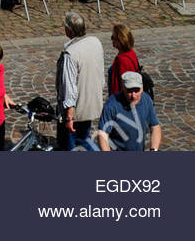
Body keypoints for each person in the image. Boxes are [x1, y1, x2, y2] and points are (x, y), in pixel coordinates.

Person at [55, 9, 105, 150]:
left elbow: (69, 88)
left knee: (70, 144)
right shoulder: (95, 42)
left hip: (75, 111)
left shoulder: (70, 54)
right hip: (90, 105)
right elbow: (100, 74)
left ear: (69, 30)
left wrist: (69, 117)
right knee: (84, 139)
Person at [96, 72, 161, 152]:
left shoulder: (146, 100)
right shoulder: (112, 105)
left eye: (137, 90)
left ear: (142, 88)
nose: (133, 95)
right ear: (123, 88)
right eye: (129, 91)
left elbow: (155, 127)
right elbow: (102, 134)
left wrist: (154, 150)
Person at [108, 23, 141, 96]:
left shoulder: (122, 60)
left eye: (113, 37)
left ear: (121, 40)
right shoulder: (132, 53)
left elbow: (121, 85)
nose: (112, 40)